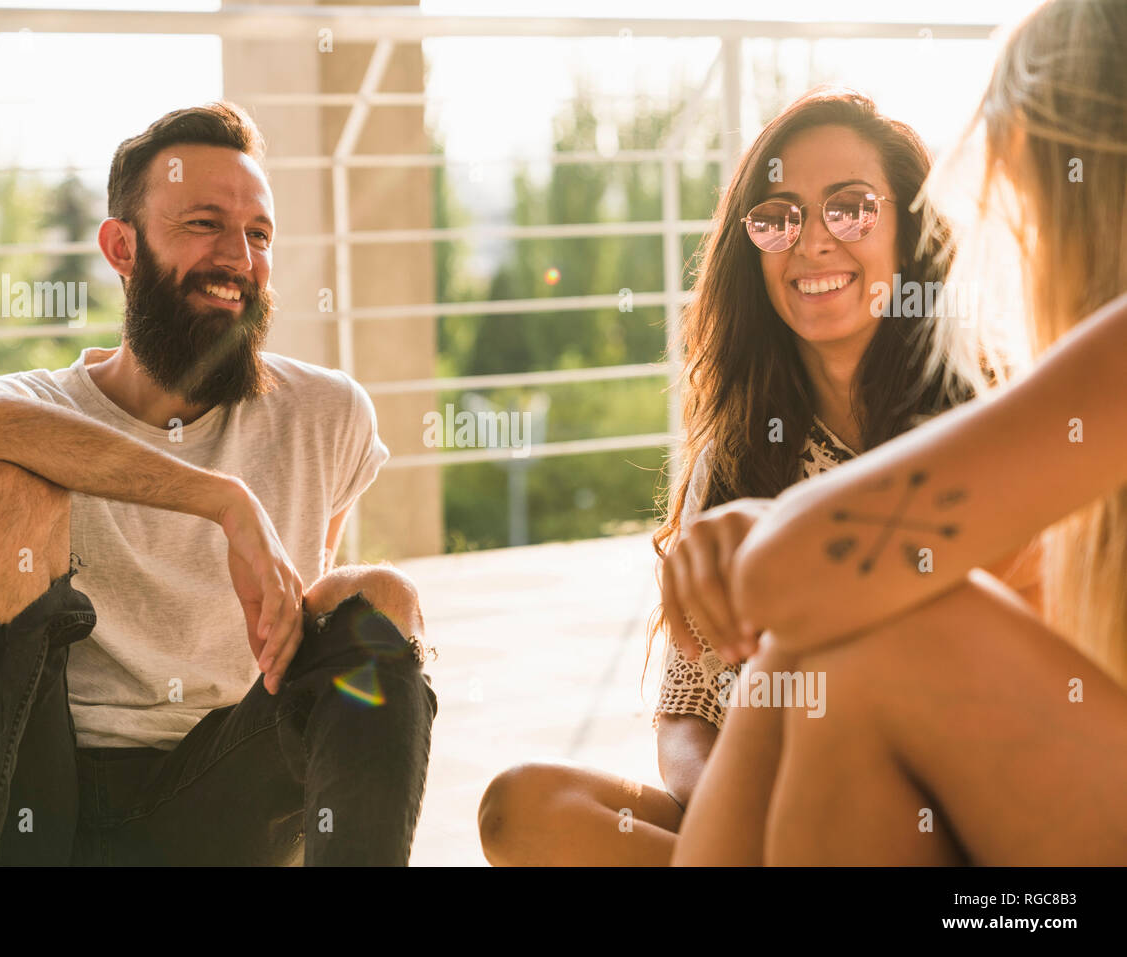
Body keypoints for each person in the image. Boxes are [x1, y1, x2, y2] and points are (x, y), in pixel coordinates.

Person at [478, 89, 1038, 866]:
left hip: (924, 819)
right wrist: (735, 824)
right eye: (778, 217)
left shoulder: (988, 414)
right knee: (525, 808)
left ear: (910, 228)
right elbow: (686, 709)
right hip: (762, 819)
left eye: (849, 208)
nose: (811, 242)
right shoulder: (737, 454)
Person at [0, 102, 438, 867]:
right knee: (4, 490)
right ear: (123, 247)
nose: (238, 256)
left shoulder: (324, 413)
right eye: (203, 224)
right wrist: (222, 502)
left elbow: (309, 623)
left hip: (207, 800)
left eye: (259, 233)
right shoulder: (42, 407)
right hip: (21, 798)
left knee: (382, 600)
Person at [669, 0, 1127, 865]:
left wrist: (759, 537)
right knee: (817, 674)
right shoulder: (733, 450)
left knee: (870, 638)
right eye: (781, 220)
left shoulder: (1071, 374)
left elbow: (793, 574)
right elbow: (694, 695)